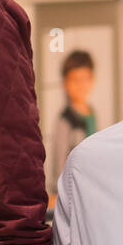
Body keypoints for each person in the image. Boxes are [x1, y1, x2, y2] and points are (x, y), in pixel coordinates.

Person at [47, 50, 97, 206]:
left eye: (85, 79)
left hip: (90, 189)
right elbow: (59, 163)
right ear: (65, 83)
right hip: (72, 194)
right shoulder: (65, 119)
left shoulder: (92, 112)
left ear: (92, 79)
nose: (81, 86)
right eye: (75, 80)